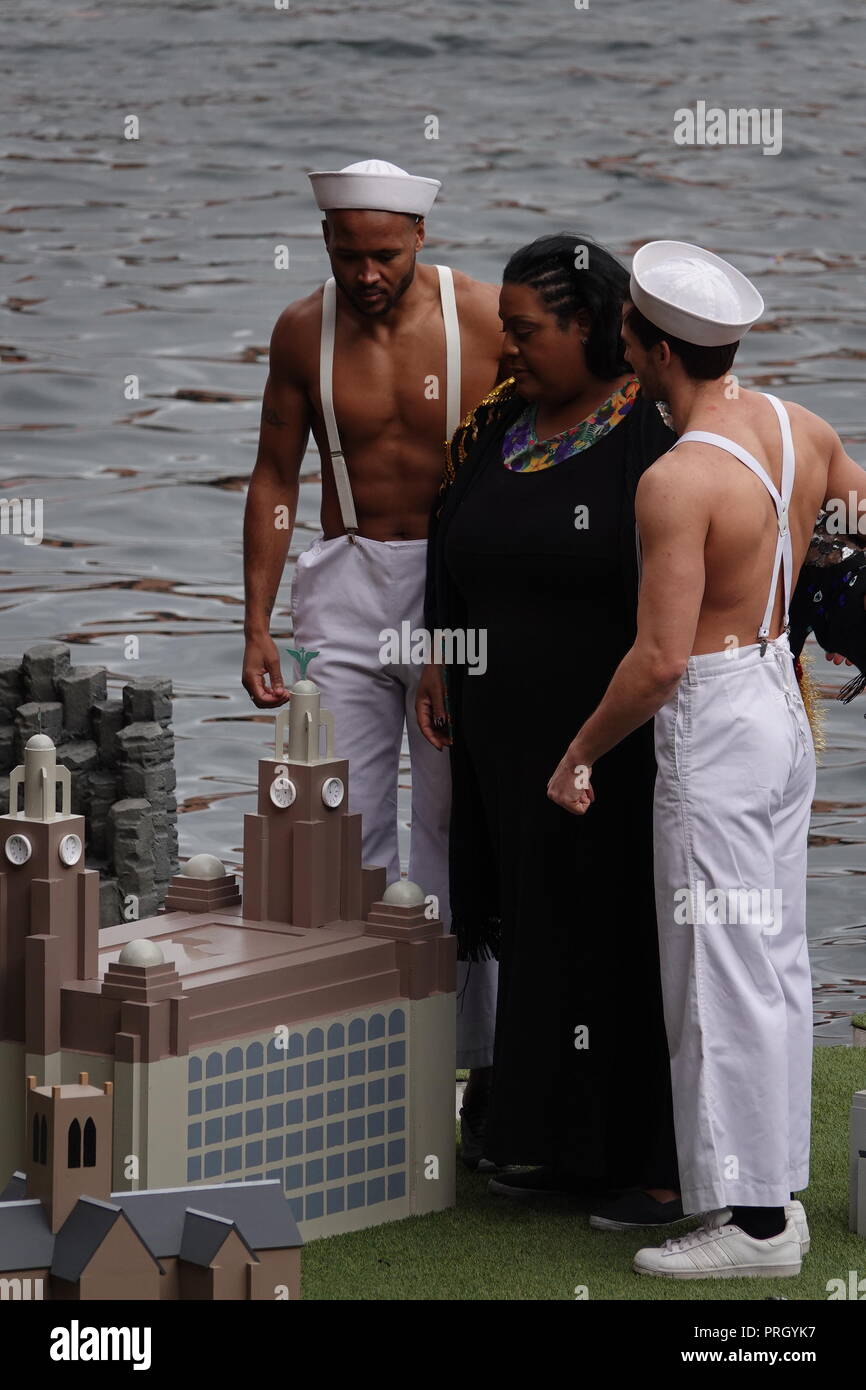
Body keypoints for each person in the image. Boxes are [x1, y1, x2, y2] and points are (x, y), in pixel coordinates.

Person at [547, 239, 866, 1277]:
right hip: (780, 697)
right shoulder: (796, 426)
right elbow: (854, 512)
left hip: (721, 721)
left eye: (628, 337)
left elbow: (656, 661)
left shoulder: (674, 480)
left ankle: (755, 1227)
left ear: (649, 351)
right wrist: (818, 580)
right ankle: (773, 1201)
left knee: (717, 975)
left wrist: (577, 755)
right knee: (769, 960)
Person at [418, 234, 685, 1220]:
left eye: (526, 332)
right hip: (503, 735)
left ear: (588, 327)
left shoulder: (647, 436)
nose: (510, 349)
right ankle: (550, 1140)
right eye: (504, 332)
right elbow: (451, 541)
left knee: (612, 929)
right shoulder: (499, 425)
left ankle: (647, 1163)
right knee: (534, 928)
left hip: (606, 736)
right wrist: (440, 650)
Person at [241, 159, 503, 1114]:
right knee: (336, 820)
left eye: (382, 255)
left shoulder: (481, 318)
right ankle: (352, 1048)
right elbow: (273, 477)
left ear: (421, 237)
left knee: (445, 822)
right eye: (345, 254)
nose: (363, 274)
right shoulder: (302, 331)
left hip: (457, 583)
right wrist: (256, 621)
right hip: (344, 583)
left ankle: (457, 1056)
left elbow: (549, 437)